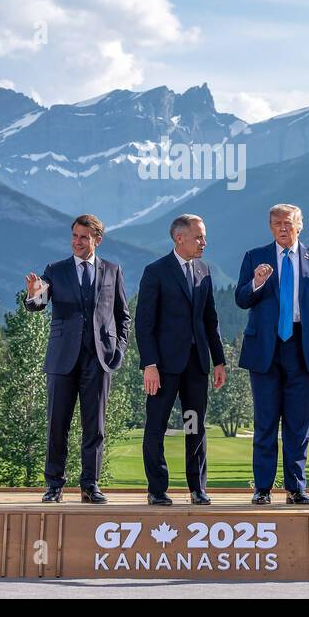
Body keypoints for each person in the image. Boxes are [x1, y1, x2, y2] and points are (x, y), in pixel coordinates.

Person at [235, 203, 309, 505]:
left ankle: (295, 488)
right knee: (265, 421)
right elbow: (241, 299)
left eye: (288, 223)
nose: (283, 228)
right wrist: (257, 282)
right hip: (265, 349)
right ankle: (263, 488)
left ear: (300, 225)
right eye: (277, 223)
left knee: (298, 423)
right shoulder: (255, 257)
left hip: (302, 348)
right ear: (270, 226)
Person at [24, 214, 130, 503]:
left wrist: (118, 350)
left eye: (84, 237)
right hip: (62, 359)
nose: (77, 242)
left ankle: (90, 485)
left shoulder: (112, 270)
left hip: (99, 358)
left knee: (94, 427)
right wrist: (33, 295)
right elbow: (38, 304)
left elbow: (122, 315)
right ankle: (54, 485)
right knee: (58, 423)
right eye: (74, 236)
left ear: (97, 239)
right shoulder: (55, 270)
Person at [136, 214, 227, 506]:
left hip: (196, 365)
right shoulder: (156, 271)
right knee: (156, 427)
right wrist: (149, 364)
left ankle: (197, 488)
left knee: (195, 426)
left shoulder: (204, 270)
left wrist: (219, 361)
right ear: (179, 238)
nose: (204, 242)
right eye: (199, 237)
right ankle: (157, 489)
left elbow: (210, 320)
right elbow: (144, 323)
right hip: (163, 366)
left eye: (204, 236)